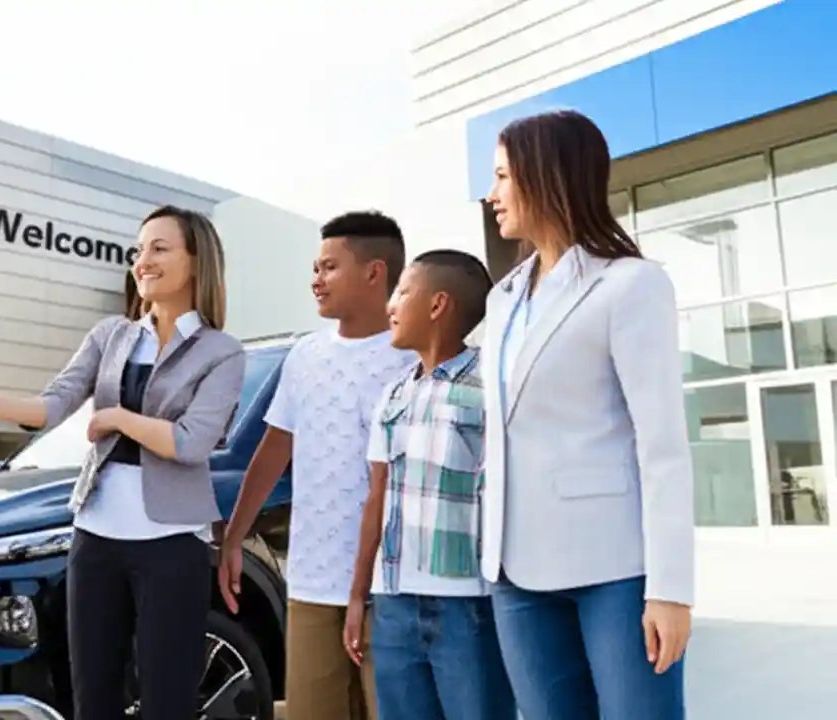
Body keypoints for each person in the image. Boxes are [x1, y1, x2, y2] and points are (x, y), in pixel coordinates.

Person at [0, 205, 245, 720]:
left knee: (168, 701)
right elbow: (52, 404)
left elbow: (192, 443)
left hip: (172, 545)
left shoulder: (221, 352)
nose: (142, 261)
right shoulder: (111, 335)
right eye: (138, 250)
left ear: (197, 262)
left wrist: (118, 418)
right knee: (92, 696)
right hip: (96, 539)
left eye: (159, 248)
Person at [480, 109, 695, 719]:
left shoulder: (631, 286)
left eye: (502, 177)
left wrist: (671, 589)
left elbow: (663, 446)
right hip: (513, 568)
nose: (492, 194)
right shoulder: (502, 300)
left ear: (546, 175)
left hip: (616, 570)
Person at [218, 211, 416, 720]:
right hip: (310, 581)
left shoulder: (413, 357)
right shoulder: (305, 355)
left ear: (375, 272)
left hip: (392, 583)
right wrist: (234, 536)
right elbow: (273, 449)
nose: (316, 279)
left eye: (329, 267)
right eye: (314, 267)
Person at [344, 250, 516, 720]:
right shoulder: (394, 394)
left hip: (470, 609)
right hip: (394, 602)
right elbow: (375, 499)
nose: (390, 306)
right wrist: (358, 596)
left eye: (402, 292)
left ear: (437, 305)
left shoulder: (492, 385)